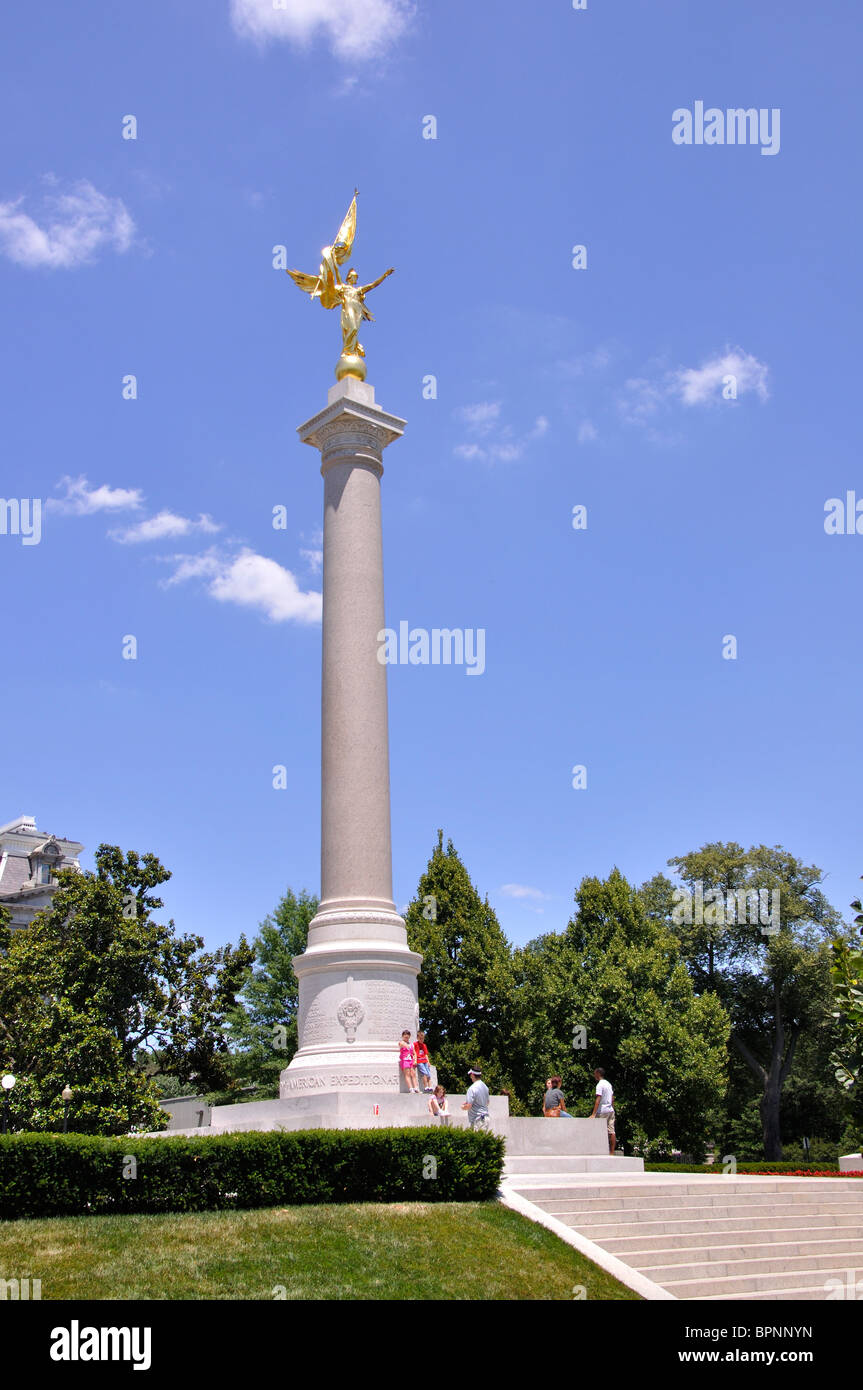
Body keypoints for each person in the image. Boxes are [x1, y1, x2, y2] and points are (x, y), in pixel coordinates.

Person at [589, 1066, 616, 1154]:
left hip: (602, 1110)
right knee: (611, 1131)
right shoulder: (608, 1084)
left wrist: (593, 1113)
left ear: (598, 1074)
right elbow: (612, 1098)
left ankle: (598, 1151)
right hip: (610, 1110)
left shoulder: (600, 1085)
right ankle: (611, 1152)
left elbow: (598, 1099)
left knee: (598, 1131)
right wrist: (613, 1109)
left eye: (595, 1074)